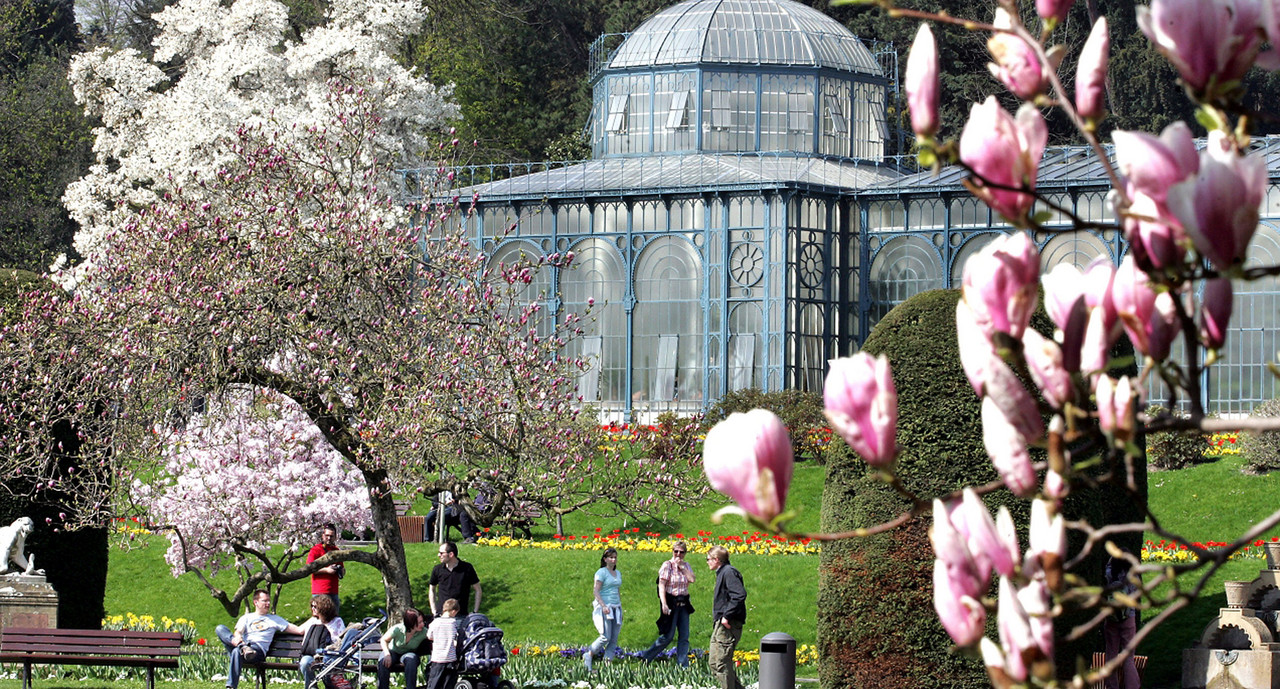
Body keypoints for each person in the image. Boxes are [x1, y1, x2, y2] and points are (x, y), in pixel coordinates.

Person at [215, 589, 304, 689]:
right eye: (264, 601)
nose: (268, 603)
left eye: (268, 601)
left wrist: (316, 618)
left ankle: (231, 687)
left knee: (237, 651)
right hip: (243, 646)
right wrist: (239, 639)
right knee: (220, 628)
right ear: (255, 602)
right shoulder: (246, 618)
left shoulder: (275, 619)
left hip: (257, 651)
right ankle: (243, 647)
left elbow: (299, 630)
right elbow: (238, 632)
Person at [639, 541, 696, 666]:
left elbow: (692, 579)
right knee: (668, 636)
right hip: (671, 602)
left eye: (681, 552)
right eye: (676, 551)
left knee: (684, 636)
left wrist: (682, 567)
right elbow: (662, 585)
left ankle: (682, 664)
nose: (678, 555)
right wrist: (664, 603)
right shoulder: (667, 565)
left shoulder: (686, 566)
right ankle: (647, 657)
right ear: (672, 551)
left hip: (684, 604)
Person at [706, 546, 746, 689]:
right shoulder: (722, 572)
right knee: (714, 662)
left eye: (708, 559)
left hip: (728, 624)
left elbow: (739, 595)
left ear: (717, 560)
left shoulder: (728, 572)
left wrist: (727, 616)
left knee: (722, 663)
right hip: (720, 624)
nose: (707, 562)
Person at [1103, 554, 1141, 689]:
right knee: (1128, 656)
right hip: (1128, 617)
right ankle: (1132, 686)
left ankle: (1111, 686)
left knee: (1111, 654)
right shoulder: (1132, 576)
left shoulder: (1109, 573)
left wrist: (1110, 561)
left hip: (1111, 618)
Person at [583, 547, 622, 671]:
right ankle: (589, 654)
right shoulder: (601, 572)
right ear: (605, 559)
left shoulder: (618, 573)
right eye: (611, 557)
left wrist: (620, 606)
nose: (613, 560)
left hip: (616, 607)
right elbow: (596, 590)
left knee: (614, 638)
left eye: (615, 557)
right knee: (606, 636)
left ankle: (607, 663)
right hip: (606, 607)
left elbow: (617, 590)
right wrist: (603, 605)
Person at [299, 595, 346, 689]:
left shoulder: (337, 621)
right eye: (312, 606)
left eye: (315, 606)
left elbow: (341, 641)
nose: (313, 608)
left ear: (324, 607)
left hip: (330, 655)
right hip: (313, 654)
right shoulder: (312, 621)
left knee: (328, 666)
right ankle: (311, 687)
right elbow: (305, 638)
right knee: (305, 662)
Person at [377, 608, 428, 689]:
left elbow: (435, 638)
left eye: (422, 622)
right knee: (383, 661)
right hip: (393, 652)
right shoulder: (398, 629)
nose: (422, 624)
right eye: (419, 623)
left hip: (408, 653)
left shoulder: (424, 632)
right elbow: (383, 640)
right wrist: (387, 654)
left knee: (411, 659)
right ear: (410, 623)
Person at [428, 542, 482, 616]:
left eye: (441, 553)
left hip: (461, 615)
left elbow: (478, 589)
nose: (439, 555)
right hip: (442, 615)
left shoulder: (467, 568)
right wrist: (434, 611)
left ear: (451, 554)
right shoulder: (437, 569)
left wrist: (475, 611)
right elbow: (431, 589)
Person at [307, 523, 343, 615]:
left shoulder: (336, 550)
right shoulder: (315, 550)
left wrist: (341, 571)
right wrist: (326, 570)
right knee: (319, 619)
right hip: (320, 591)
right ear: (323, 536)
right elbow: (309, 568)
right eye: (327, 535)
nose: (329, 538)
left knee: (335, 620)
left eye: (331, 536)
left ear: (335, 537)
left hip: (333, 591)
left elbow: (342, 567)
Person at [425, 599, 461, 689]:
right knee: (448, 684)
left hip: (438, 658)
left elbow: (429, 636)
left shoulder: (435, 622)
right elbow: (456, 637)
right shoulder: (453, 623)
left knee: (434, 683)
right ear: (453, 611)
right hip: (451, 659)